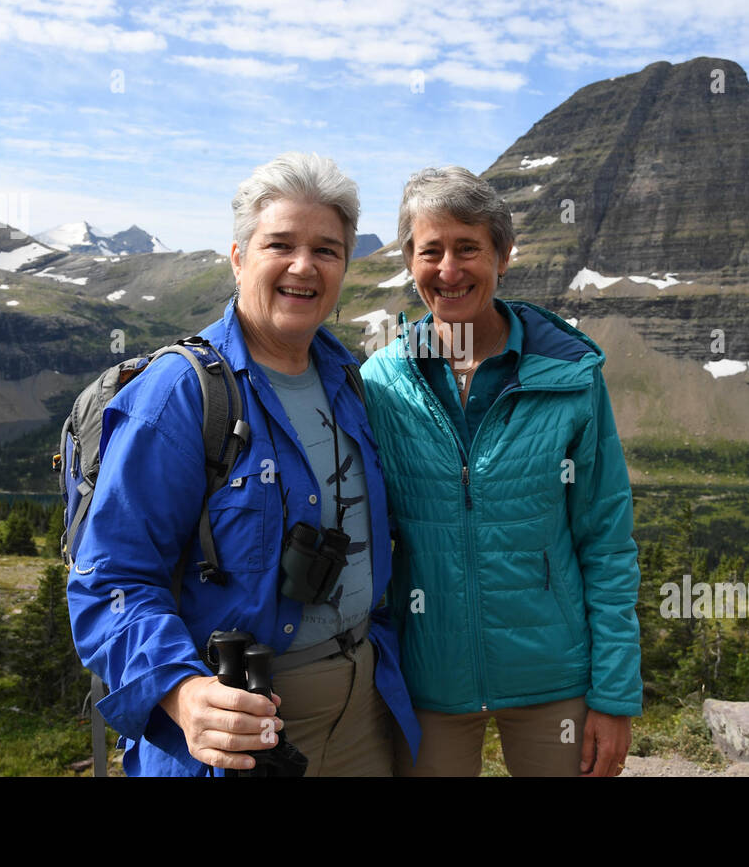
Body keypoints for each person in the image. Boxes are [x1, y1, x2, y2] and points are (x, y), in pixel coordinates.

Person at [67, 152, 420, 776]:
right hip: (235, 733)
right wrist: (182, 692)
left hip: (368, 710)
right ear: (238, 257)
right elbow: (109, 582)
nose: (303, 267)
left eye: (327, 250)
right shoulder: (181, 395)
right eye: (279, 244)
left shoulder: (350, 381)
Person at [359, 166, 640, 777]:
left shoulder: (571, 378)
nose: (449, 270)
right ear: (410, 260)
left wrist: (614, 696)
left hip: (554, 676)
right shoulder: (379, 383)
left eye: (469, 248)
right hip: (428, 677)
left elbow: (606, 541)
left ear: (503, 255)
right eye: (431, 251)